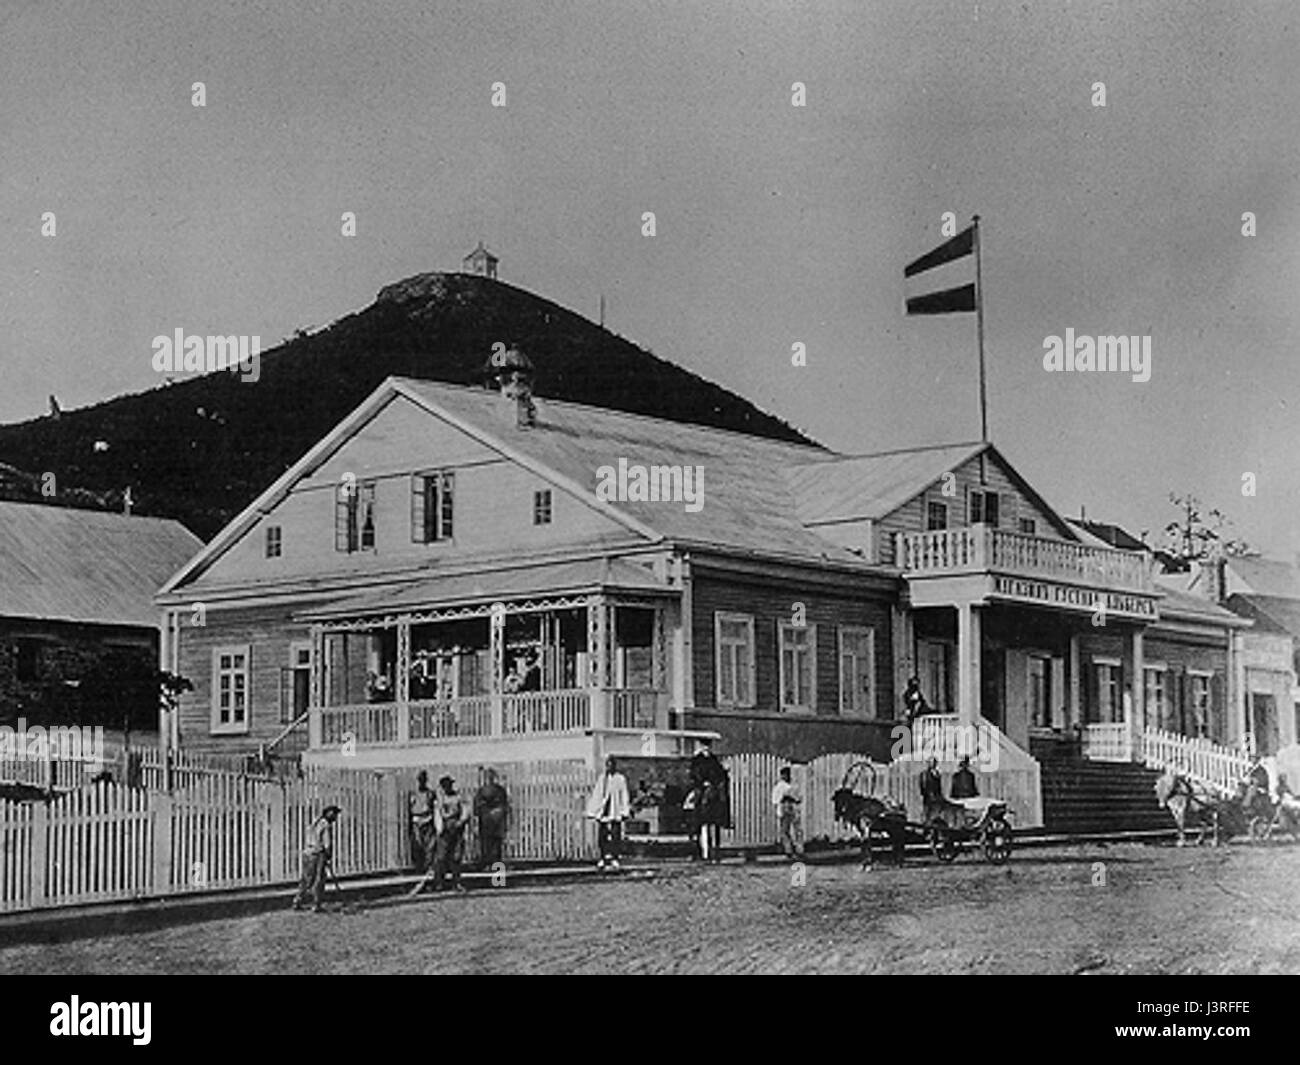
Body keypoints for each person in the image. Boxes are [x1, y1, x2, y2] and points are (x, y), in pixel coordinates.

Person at [585, 756, 631, 870]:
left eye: (611, 765)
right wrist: (593, 810)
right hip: (604, 812)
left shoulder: (620, 779)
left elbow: (623, 795)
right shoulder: (602, 779)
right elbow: (597, 795)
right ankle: (603, 857)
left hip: (615, 811)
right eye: (607, 765)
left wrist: (624, 811)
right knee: (602, 836)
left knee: (616, 835)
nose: (609, 767)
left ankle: (615, 857)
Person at [292, 805, 341, 912]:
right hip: (318, 854)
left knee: (306, 879)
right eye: (335, 814)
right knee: (319, 879)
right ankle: (316, 904)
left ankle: (298, 900)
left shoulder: (315, 822)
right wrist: (328, 855)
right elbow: (327, 844)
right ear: (329, 813)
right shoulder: (326, 825)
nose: (336, 818)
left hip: (307, 852)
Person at [691, 740, 730, 862]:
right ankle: (700, 850)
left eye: (708, 746)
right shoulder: (697, 760)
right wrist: (703, 782)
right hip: (702, 786)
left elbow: (719, 774)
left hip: (713, 785)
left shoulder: (714, 759)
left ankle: (716, 849)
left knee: (721, 801)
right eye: (704, 746)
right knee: (698, 804)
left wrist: (719, 777)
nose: (706, 748)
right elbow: (694, 774)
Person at [429, 776, 468, 892]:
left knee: (456, 857)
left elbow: (465, 811)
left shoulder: (458, 797)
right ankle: (439, 883)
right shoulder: (439, 800)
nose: (448, 787)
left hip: (456, 828)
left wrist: (461, 822)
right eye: (445, 786)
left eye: (449, 785)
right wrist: (439, 828)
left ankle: (456, 883)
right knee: (441, 857)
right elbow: (438, 814)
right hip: (445, 830)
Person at [474, 768, 510, 869]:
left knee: (492, 846)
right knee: (490, 847)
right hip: (490, 822)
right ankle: (491, 870)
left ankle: (494, 871)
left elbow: (477, 808)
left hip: (492, 822)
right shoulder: (487, 791)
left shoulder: (493, 791)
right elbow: (477, 808)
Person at [771, 766, 804, 860]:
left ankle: (794, 849)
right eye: (785, 774)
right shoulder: (782, 786)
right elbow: (776, 799)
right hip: (787, 807)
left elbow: (799, 798)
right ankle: (792, 849)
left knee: (792, 829)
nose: (787, 776)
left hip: (789, 807)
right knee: (788, 830)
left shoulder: (787, 786)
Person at [409, 770, 436, 871]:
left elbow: (433, 807)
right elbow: (410, 808)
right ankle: (419, 866)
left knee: (429, 845)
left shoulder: (430, 793)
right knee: (417, 844)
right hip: (416, 819)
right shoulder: (413, 793)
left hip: (427, 819)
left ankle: (428, 866)